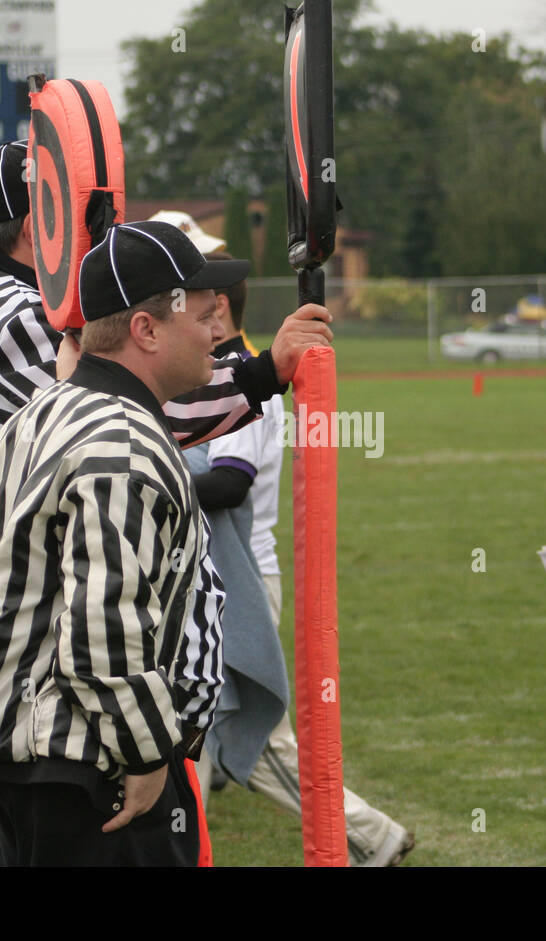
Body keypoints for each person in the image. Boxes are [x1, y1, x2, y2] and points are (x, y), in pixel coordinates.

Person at [0, 143, 333, 865]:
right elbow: (120, 424)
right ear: (39, 222)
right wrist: (258, 376)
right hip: (46, 687)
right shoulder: (29, 322)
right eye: (73, 206)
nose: (215, 328)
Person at [189, 251, 415, 866]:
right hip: (221, 574)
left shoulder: (236, 373)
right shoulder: (216, 373)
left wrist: (147, 478)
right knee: (204, 739)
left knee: (255, 738)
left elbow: (230, 482)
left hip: (240, 575)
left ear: (217, 310)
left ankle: (372, 836)